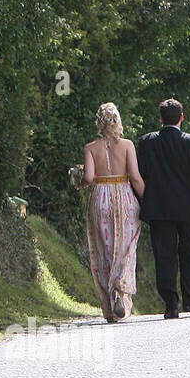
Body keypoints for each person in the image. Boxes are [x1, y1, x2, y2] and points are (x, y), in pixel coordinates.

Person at [137, 98, 190, 319]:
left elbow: (141, 175)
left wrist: (144, 201)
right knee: (188, 251)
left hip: (158, 207)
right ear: (181, 117)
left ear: (161, 119)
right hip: (188, 207)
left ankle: (170, 304)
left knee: (164, 255)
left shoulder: (147, 142)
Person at [78, 103, 145, 322]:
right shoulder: (127, 145)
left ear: (99, 122)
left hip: (100, 198)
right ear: (117, 121)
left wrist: (76, 179)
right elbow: (135, 177)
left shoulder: (91, 148)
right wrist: (147, 199)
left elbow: (88, 179)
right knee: (127, 246)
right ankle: (120, 288)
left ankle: (109, 303)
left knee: (105, 249)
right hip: (124, 196)